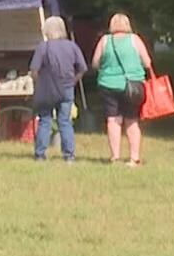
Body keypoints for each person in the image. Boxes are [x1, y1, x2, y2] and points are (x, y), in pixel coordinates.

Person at [90, 12, 155, 166]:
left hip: (108, 84)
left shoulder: (105, 41)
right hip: (132, 85)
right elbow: (147, 62)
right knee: (132, 121)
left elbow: (95, 63)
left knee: (113, 120)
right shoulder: (135, 39)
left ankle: (115, 157)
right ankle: (134, 157)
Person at [30, 16, 87, 162]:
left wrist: (39, 83)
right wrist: (73, 81)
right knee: (65, 121)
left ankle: (40, 154)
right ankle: (69, 155)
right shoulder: (72, 46)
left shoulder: (43, 47)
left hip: (47, 89)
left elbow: (34, 70)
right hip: (67, 88)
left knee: (45, 121)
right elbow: (82, 68)